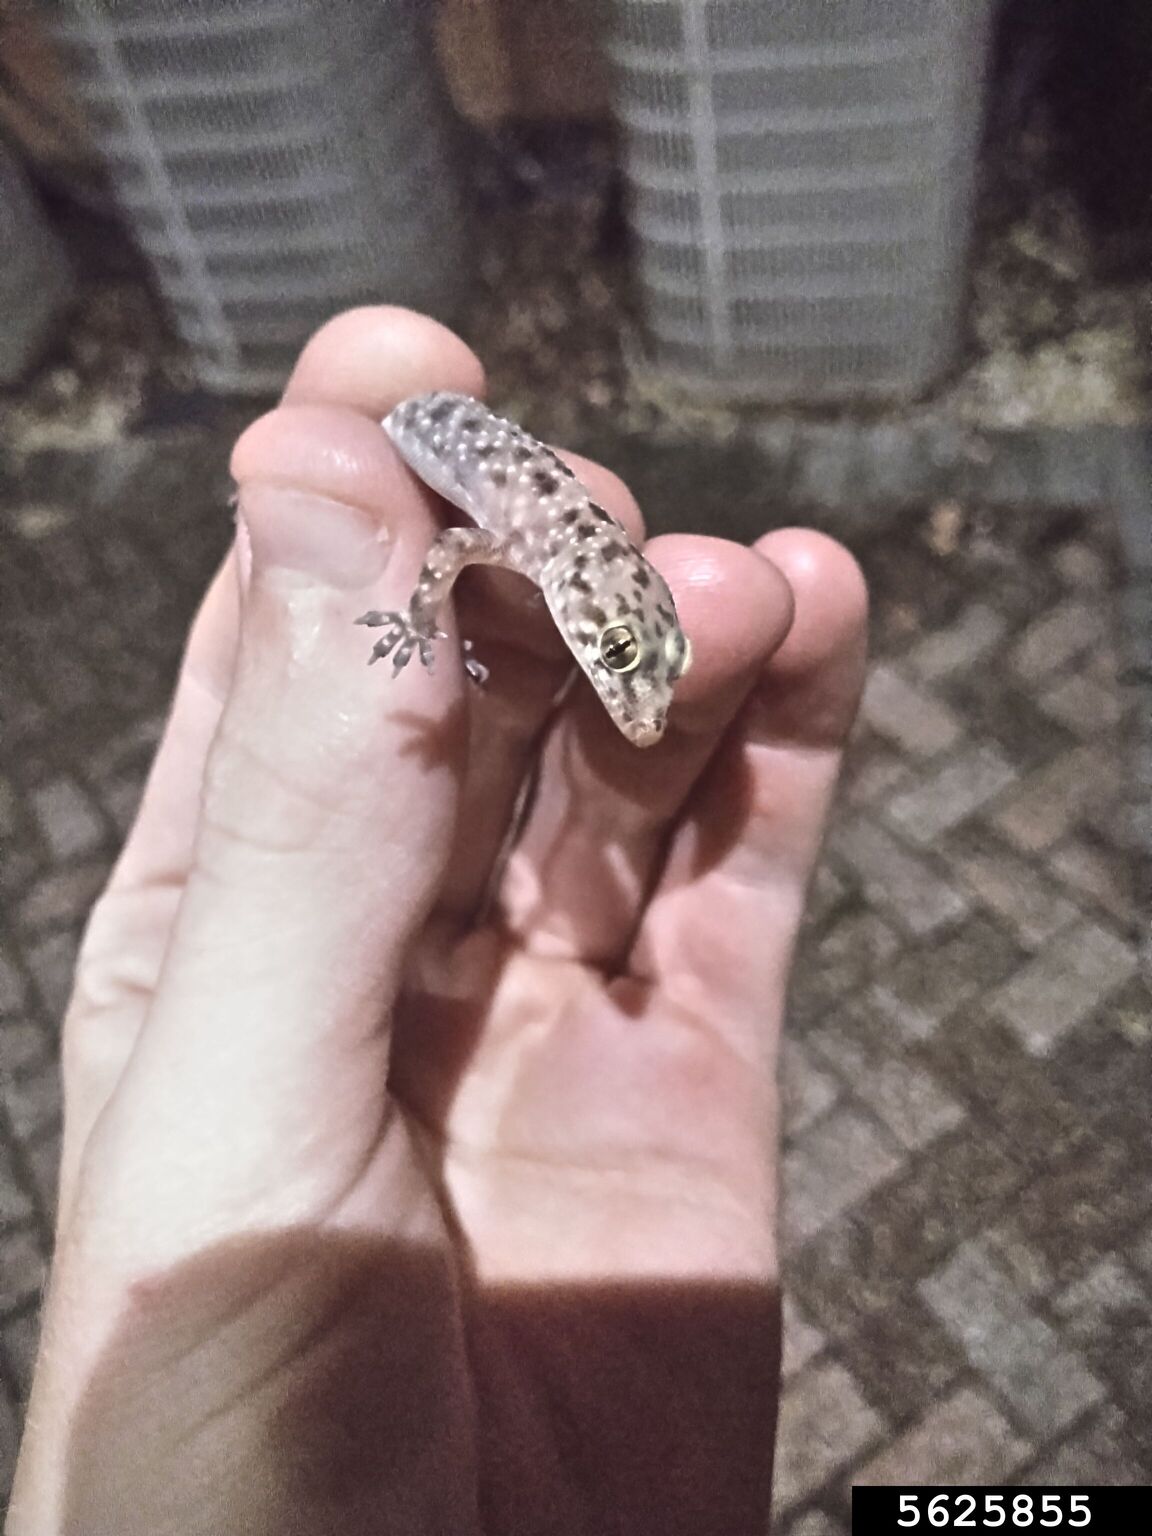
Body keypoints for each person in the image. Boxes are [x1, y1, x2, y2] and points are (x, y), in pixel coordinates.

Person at [8, 308, 867, 1536]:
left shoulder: (564, 554)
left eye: (639, 660)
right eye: (622, 657)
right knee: (360, 431)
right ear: (581, 588)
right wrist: (409, 626)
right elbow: (451, 557)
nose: (631, 695)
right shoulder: (527, 545)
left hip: (468, 463)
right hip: (415, 446)